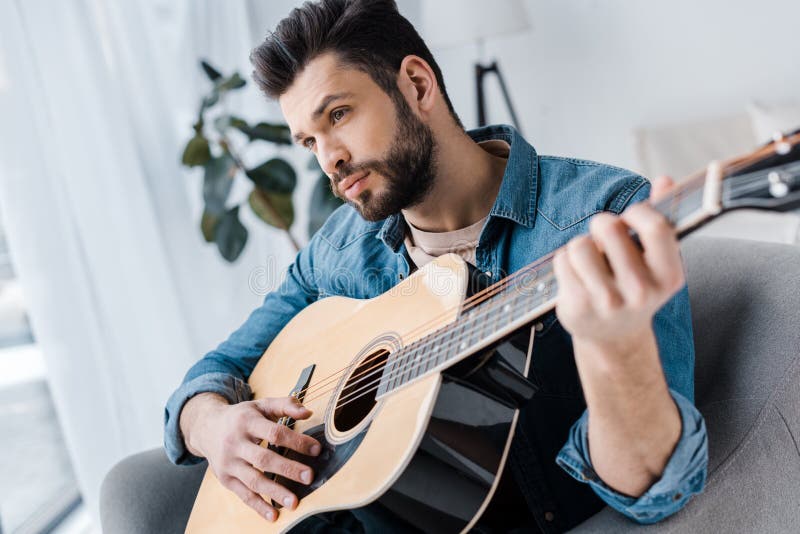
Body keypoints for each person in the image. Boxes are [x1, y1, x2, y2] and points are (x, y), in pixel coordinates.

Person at [103, 1, 709, 532]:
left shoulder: (601, 218)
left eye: (337, 115)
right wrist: (210, 425)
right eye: (308, 143)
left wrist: (616, 345)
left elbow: (651, 492)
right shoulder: (338, 249)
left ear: (417, 85)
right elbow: (217, 370)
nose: (329, 160)